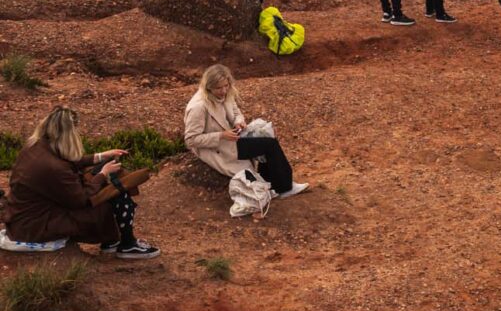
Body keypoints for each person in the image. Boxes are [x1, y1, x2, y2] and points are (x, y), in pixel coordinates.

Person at [1, 107, 159, 259]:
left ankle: (113, 242)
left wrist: (99, 157)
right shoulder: (54, 167)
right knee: (112, 196)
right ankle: (127, 244)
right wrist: (102, 174)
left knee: (102, 186)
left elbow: (64, 161)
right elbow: (81, 200)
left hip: (23, 221)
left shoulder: (35, 147)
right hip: (36, 227)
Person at [183, 64, 307, 198]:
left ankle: (272, 184)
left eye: (226, 86)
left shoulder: (226, 93)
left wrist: (239, 122)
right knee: (269, 145)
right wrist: (221, 135)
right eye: (219, 88)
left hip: (233, 137)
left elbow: (236, 112)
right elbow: (191, 140)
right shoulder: (198, 107)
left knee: (268, 139)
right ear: (209, 87)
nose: (224, 91)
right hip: (219, 146)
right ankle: (284, 187)